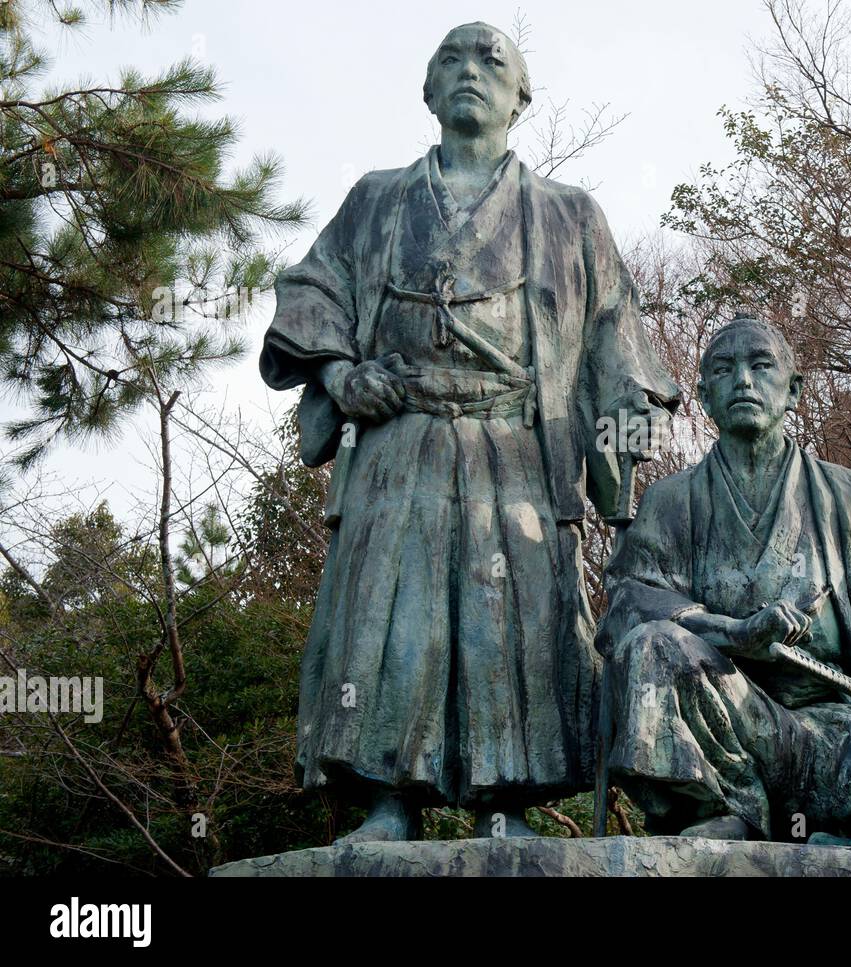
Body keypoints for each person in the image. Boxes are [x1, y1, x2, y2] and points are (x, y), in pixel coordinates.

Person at [261, 22, 678, 843]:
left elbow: (614, 340)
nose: (469, 72)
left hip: (517, 443)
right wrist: (342, 376)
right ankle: (388, 800)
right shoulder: (377, 199)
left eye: (492, 61)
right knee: (388, 618)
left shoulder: (568, 214)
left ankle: (506, 802)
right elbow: (312, 289)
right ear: (426, 91)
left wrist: (624, 439)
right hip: (400, 440)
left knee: (512, 624)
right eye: (450, 59)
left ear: (522, 97)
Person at [597, 314, 851, 845]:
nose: (743, 381)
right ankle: (719, 809)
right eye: (724, 369)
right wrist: (733, 634)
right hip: (725, 721)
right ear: (704, 396)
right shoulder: (670, 503)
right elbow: (628, 605)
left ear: (795, 392)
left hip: (838, 735)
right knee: (654, 643)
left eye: (761, 366)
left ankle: (837, 850)